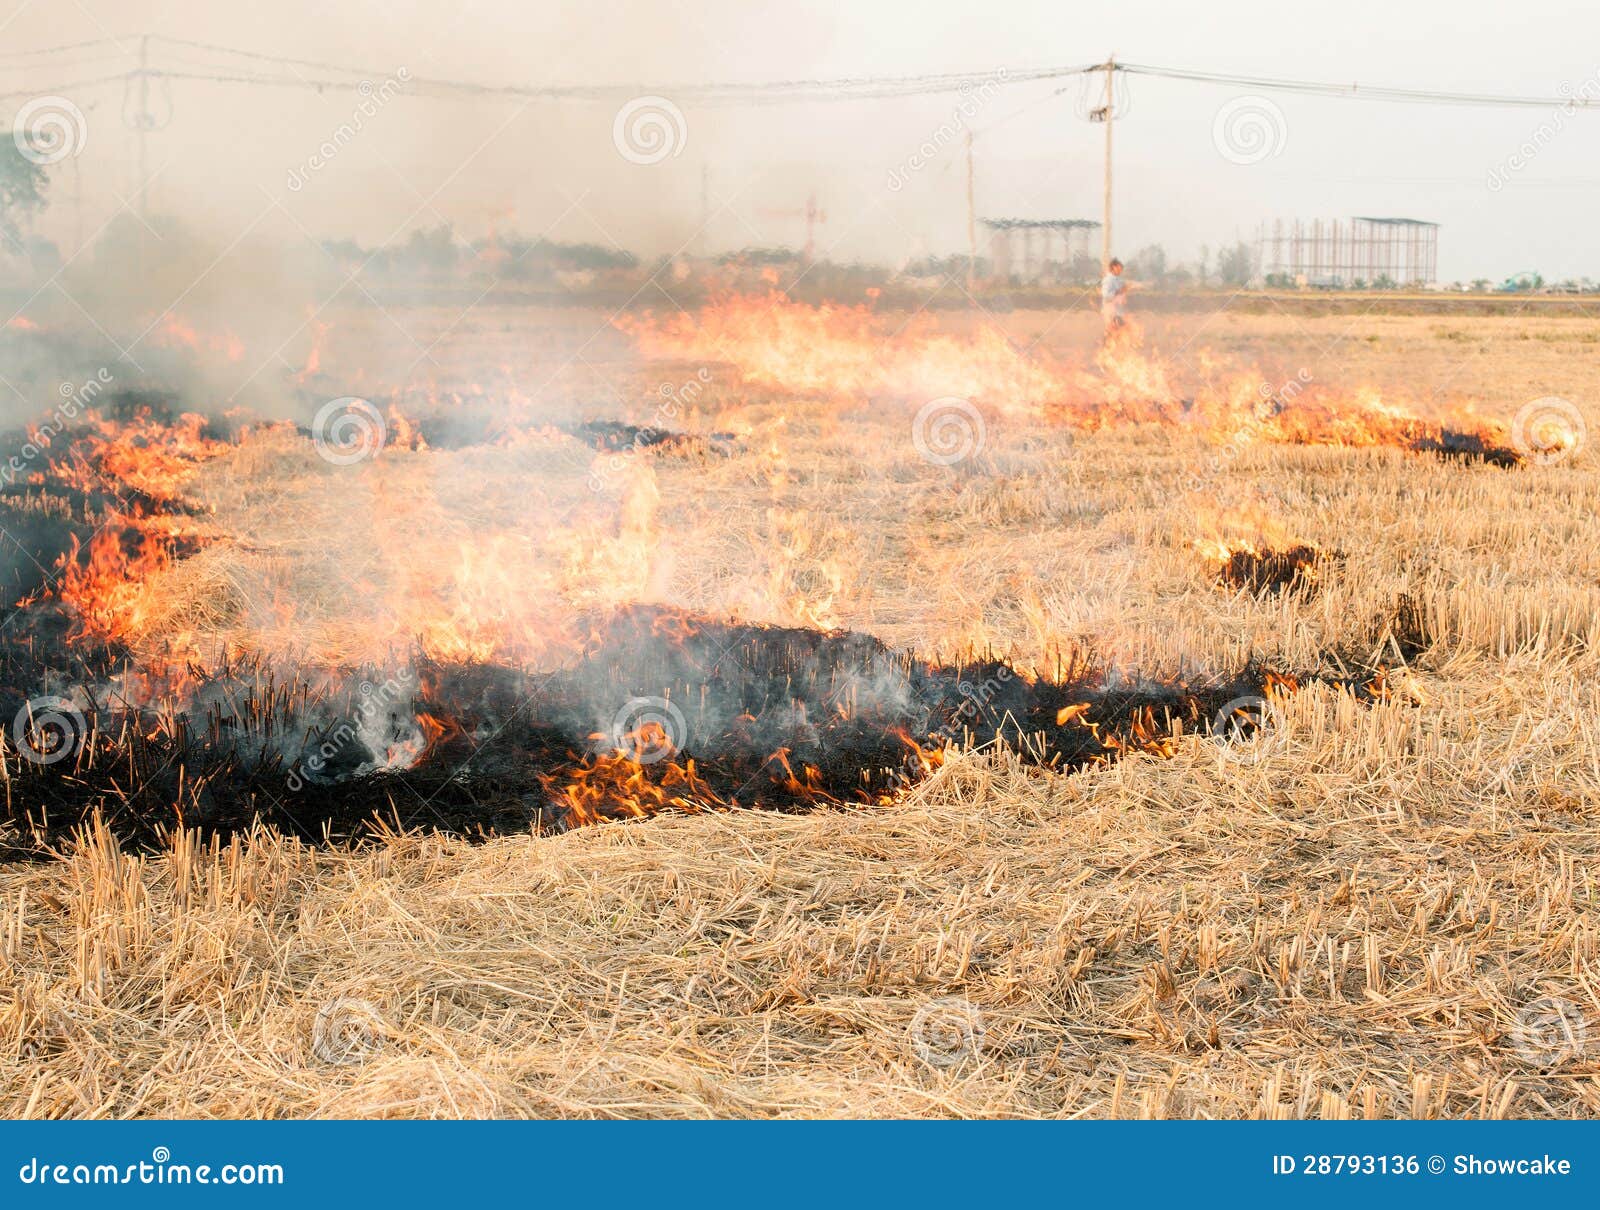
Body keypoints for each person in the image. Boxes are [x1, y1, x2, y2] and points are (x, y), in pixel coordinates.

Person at [1100, 258, 1139, 340]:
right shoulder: (1108, 280)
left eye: (1121, 269)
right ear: (1113, 267)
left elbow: (1122, 291)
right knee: (1119, 332)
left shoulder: (1118, 280)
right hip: (1112, 312)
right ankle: (1103, 348)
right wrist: (1119, 291)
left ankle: (1105, 348)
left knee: (1117, 333)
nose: (1120, 270)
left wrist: (1126, 290)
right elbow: (1106, 295)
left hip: (1118, 312)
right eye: (1119, 268)